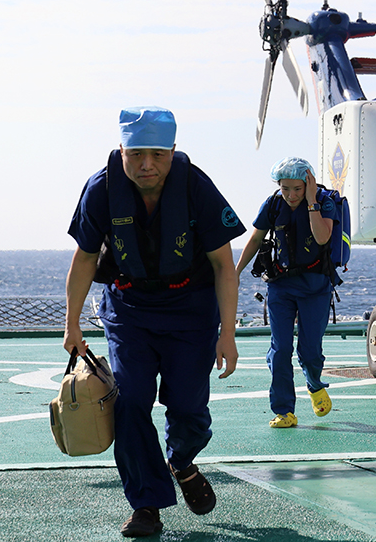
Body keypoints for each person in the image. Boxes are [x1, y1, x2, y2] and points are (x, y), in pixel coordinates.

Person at [64, 107, 244, 538]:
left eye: (158, 155)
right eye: (137, 154)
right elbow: (86, 257)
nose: (147, 164)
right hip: (129, 312)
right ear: (122, 150)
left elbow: (224, 265)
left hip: (190, 310)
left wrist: (228, 333)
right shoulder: (100, 190)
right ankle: (146, 503)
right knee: (129, 402)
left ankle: (180, 461)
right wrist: (72, 324)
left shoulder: (196, 187)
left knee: (189, 411)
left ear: (173, 152)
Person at [235, 157, 336, 428]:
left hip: (315, 288)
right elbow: (256, 238)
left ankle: (314, 385)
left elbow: (322, 237)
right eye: (285, 188)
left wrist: (312, 200)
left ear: (308, 184)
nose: (291, 195)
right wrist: (235, 273)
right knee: (280, 350)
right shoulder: (273, 204)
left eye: (297, 189)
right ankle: (284, 410)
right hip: (280, 286)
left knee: (310, 351)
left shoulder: (325, 202)